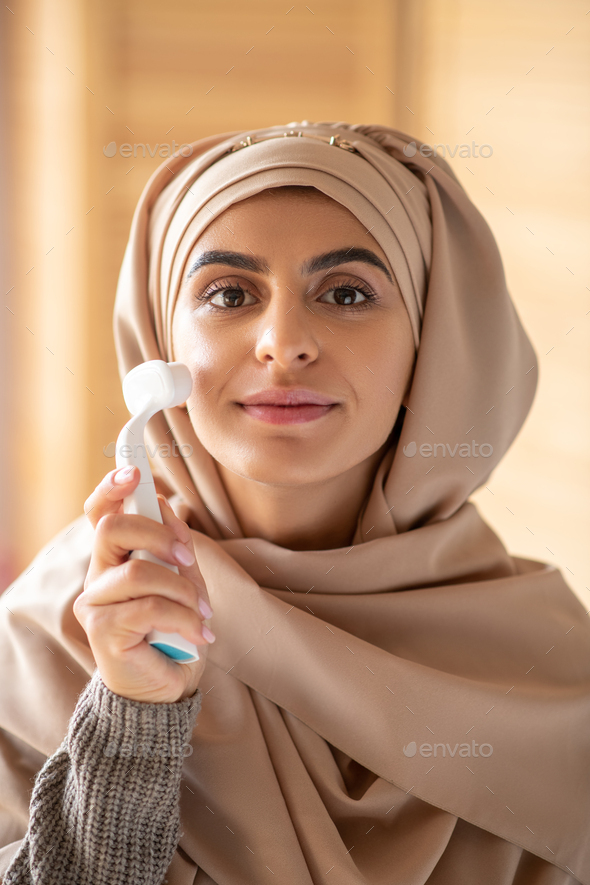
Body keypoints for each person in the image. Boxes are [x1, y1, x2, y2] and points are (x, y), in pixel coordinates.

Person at [0, 120, 588, 885]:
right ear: (160, 340)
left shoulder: (551, 665)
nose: (283, 341)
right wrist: (130, 719)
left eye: (346, 293)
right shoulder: (51, 638)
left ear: (431, 346)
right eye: (228, 293)